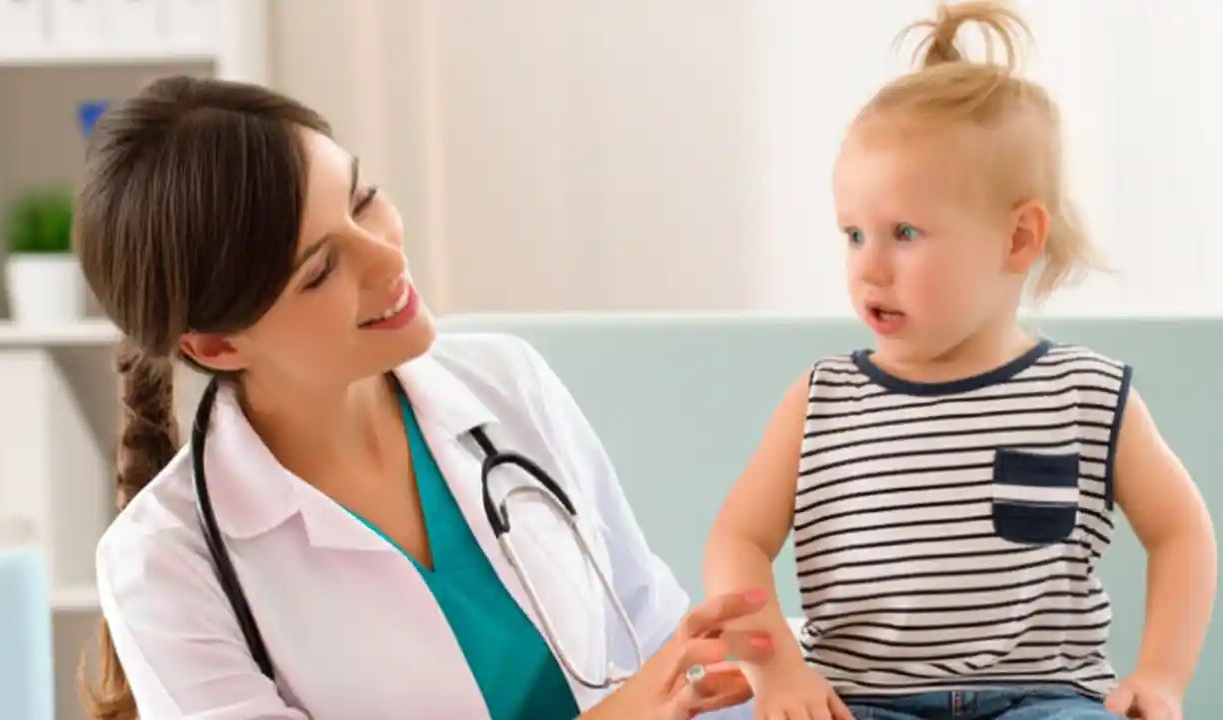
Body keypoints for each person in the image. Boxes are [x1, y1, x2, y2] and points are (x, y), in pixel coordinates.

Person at [74, 75, 777, 719]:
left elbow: (657, 639)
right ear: (218, 346)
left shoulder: (507, 382)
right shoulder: (162, 562)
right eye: (321, 271)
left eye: (362, 199)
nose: (386, 255)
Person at [702, 3, 1217, 720]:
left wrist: (1161, 675)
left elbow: (1182, 531)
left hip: (1045, 700)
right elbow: (737, 539)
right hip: (864, 702)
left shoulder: (1089, 395)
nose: (868, 267)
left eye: (904, 233)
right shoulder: (823, 399)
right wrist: (777, 671)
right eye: (853, 234)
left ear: (1017, 239)